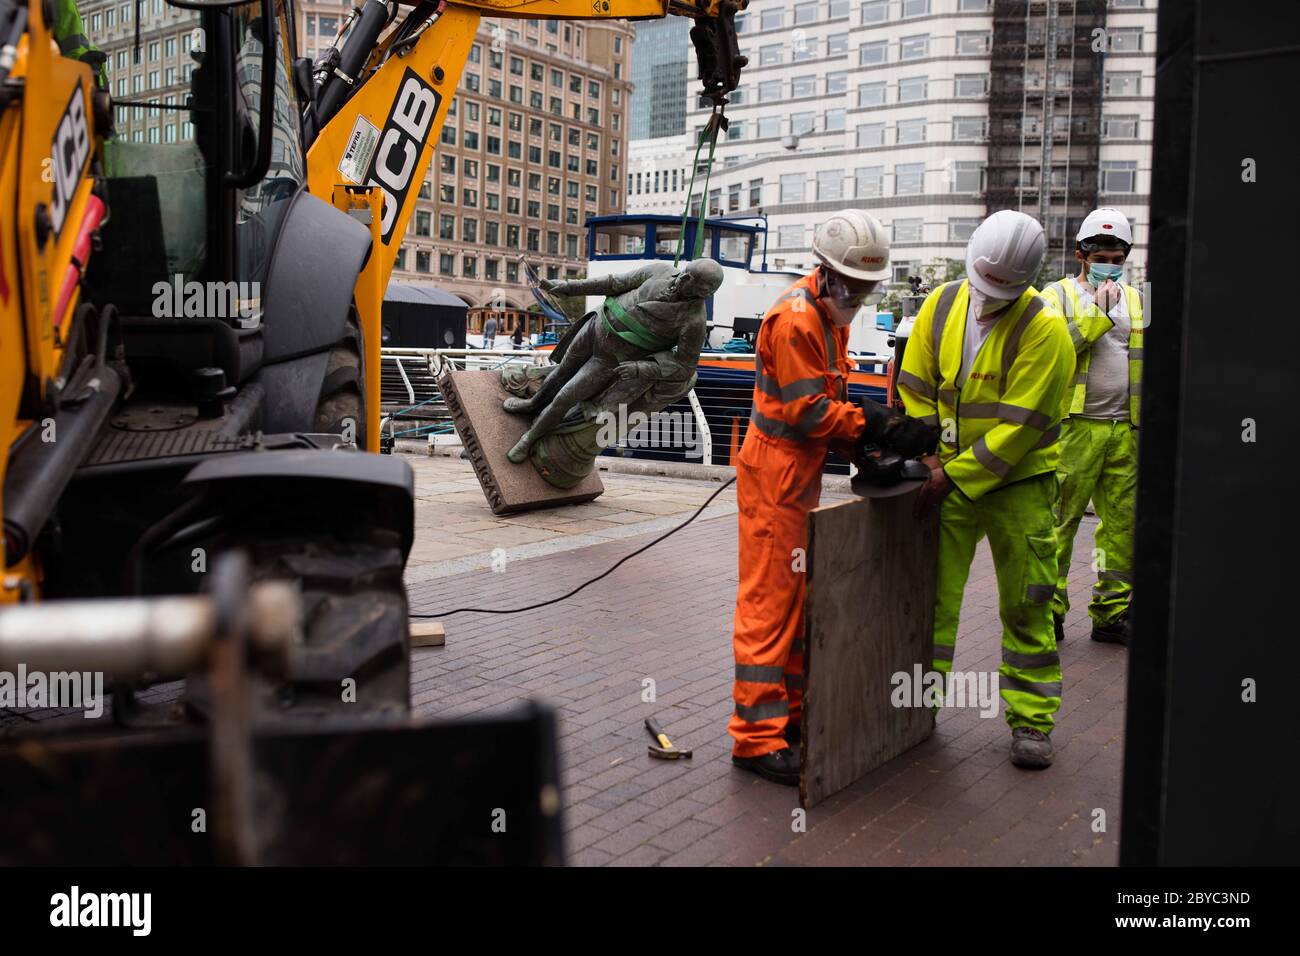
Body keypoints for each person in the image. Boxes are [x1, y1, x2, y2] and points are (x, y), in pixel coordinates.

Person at [729, 210, 937, 786]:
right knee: (770, 602)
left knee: (797, 597)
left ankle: (788, 721)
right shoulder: (796, 320)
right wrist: (881, 428)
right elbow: (808, 411)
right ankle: (754, 739)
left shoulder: (829, 315)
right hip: (776, 473)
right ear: (827, 271)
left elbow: (829, 398)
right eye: (856, 285)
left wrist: (865, 444)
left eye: (868, 287)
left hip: (797, 467)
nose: (862, 296)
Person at [897, 210, 1075, 769]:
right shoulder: (942, 304)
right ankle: (918, 709)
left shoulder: (1045, 331)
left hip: (1017, 484)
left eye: (1003, 290)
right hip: (945, 474)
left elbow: (1018, 428)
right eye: (984, 284)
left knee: (1028, 602)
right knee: (932, 598)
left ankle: (1031, 721)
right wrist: (928, 456)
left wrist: (950, 473)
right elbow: (915, 385)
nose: (988, 298)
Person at [1039, 209, 1143, 646]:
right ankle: (1051, 612)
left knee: (1120, 529)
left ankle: (1111, 613)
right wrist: (1098, 312)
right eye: (1101, 254)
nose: (1109, 262)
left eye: (1117, 256)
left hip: (1126, 429)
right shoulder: (1055, 295)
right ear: (1081, 254)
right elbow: (1055, 350)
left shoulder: (1140, 298)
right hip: (1076, 428)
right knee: (1059, 524)